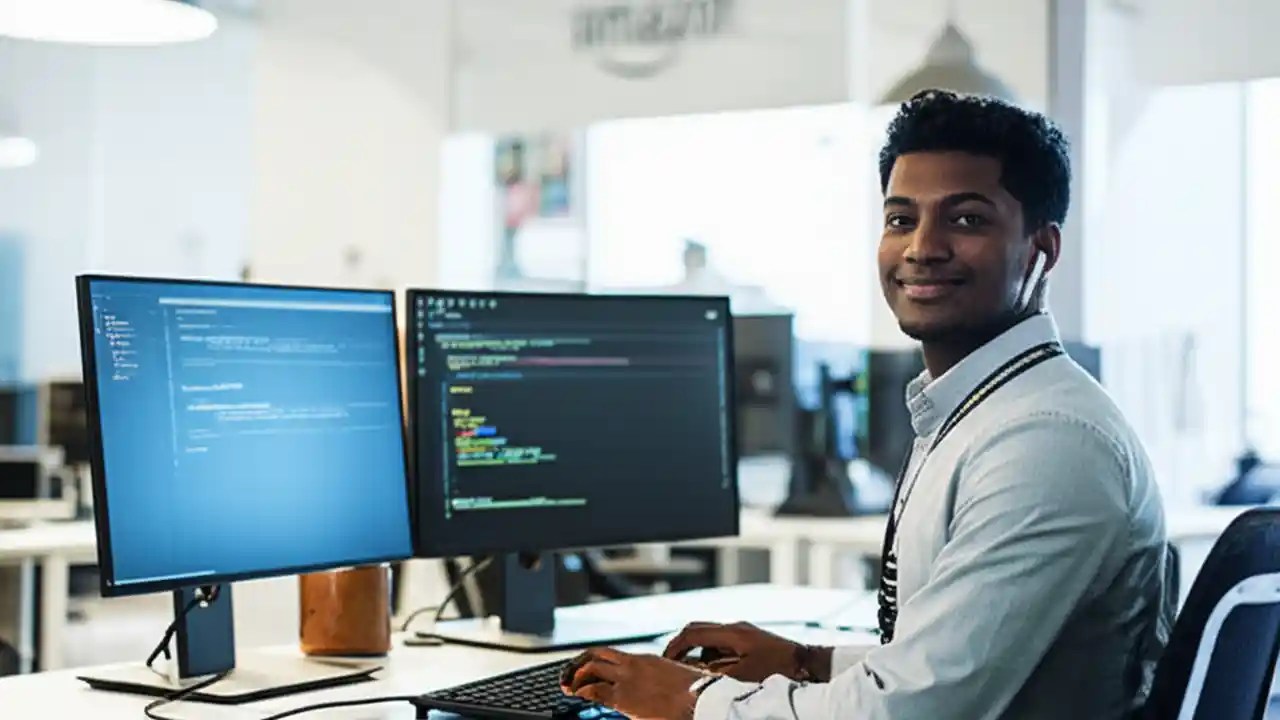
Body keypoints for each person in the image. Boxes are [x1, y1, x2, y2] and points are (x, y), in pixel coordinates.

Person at [559, 89, 1172, 720]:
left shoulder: (1045, 442)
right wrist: (807, 662)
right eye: (901, 219)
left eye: (966, 219)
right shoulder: (993, 411)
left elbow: (912, 712)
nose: (922, 247)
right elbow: (949, 663)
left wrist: (692, 700)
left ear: (1041, 250)